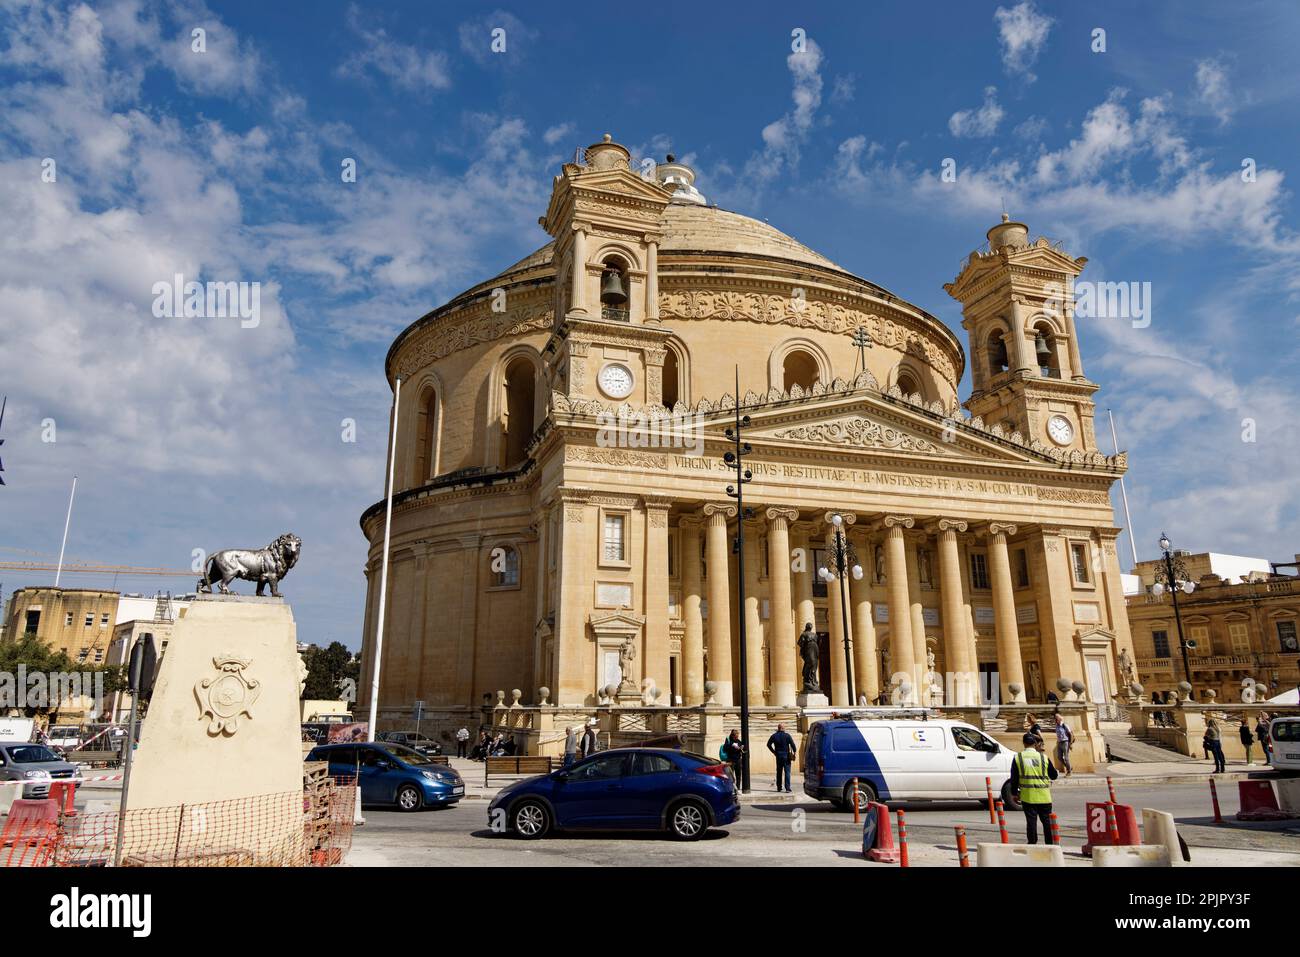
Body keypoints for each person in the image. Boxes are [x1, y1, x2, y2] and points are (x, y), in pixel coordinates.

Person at [1009, 732, 1058, 844]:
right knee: (1046, 822)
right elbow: (1054, 775)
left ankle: (1032, 843)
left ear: (1024, 743)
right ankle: (1049, 844)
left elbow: (1014, 778)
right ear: (1035, 744)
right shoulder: (1043, 757)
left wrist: (1014, 793)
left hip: (1028, 796)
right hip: (1044, 796)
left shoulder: (1018, 758)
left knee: (1031, 821)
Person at [766, 723, 798, 793]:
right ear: (783, 728)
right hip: (786, 756)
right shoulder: (787, 736)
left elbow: (768, 744)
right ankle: (787, 788)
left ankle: (779, 787)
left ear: (778, 728)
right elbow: (793, 745)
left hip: (778, 756)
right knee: (787, 772)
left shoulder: (774, 736)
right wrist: (795, 752)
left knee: (779, 772)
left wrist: (773, 752)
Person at [1052, 710, 1074, 776]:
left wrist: (1070, 744)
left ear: (1059, 719)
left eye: (1056, 718)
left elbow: (1071, 734)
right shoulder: (1057, 726)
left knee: (1066, 758)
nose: (1055, 719)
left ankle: (1069, 771)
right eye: (1055, 718)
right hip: (1059, 743)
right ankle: (1069, 767)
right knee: (1059, 757)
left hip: (1065, 742)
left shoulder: (1065, 725)